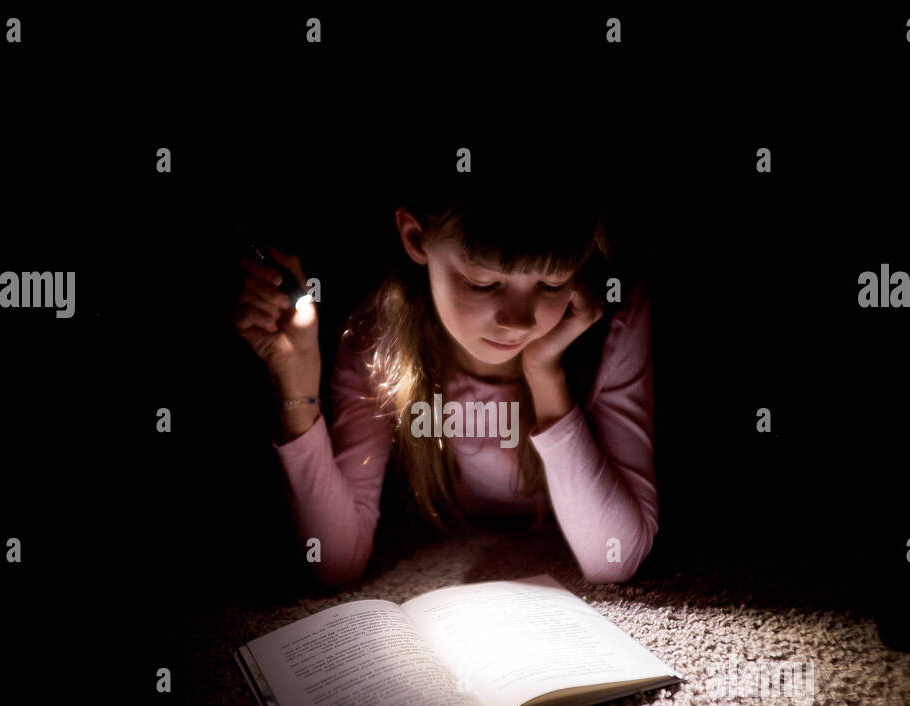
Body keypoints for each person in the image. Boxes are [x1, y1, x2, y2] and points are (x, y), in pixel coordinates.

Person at [232, 150, 656, 587]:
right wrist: (296, 381)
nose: (520, 321)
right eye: (483, 283)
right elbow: (334, 561)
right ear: (417, 238)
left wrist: (546, 374)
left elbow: (615, 556)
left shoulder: (613, 324)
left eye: (551, 283)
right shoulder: (379, 336)